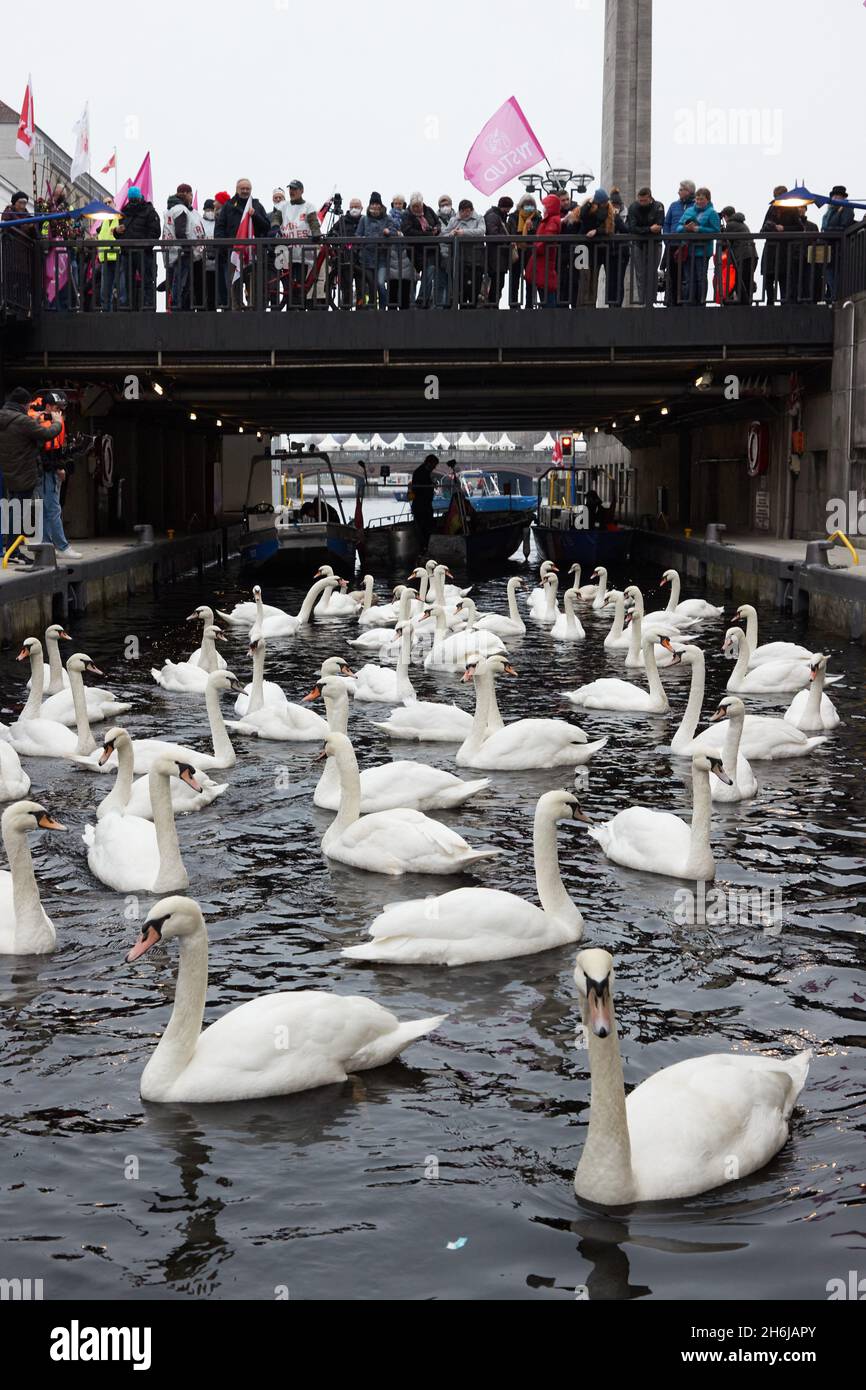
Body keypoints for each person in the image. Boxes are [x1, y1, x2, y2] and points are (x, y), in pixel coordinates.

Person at [0, 387, 63, 564]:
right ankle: (14, 552)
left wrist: (30, 420)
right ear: (24, 403)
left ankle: (10, 549)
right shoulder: (22, 421)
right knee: (22, 513)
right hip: (25, 472)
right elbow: (47, 433)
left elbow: (18, 433)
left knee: (11, 510)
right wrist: (57, 422)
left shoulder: (5, 417)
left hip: (8, 471)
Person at [214, 179, 269, 309]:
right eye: (242, 188)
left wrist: (255, 215)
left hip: (252, 256)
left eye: (247, 189)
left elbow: (266, 227)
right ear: (237, 189)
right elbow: (219, 229)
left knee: (254, 290)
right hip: (233, 255)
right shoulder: (228, 206)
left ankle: (253, 313)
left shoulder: (257, 205)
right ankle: (236, 313)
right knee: (234, 289)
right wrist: (225, 249)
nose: (245, 191)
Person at [114, 185, 160, 310]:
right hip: (127, 253)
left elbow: (155, 232)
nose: (133, 201)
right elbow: (118, 234)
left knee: (146, 281)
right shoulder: (124, 212)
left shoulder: (149, 211)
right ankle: (129, 307)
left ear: (140, 197)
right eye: (132, 199)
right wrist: (116, 232)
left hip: (143, 253)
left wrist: (145, 246)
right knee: (128, 283)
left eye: (135, 198)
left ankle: (147, 307)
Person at [278, 179, 321, 310]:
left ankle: (299, 307)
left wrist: (316, 233)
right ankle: (290, 307)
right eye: (290, 189)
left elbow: (313, 222)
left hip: (303, 252)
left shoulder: (308, 206)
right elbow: (276, 218)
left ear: (301, 191)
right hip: (287, 250)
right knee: (288, 282)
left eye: (295, 189)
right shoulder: (283, 206)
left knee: (301, 281)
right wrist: (274, 227)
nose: (292, 191)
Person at [163, 183, 206, 311]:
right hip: (182, 251)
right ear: (186, 194)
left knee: (179, 281)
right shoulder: (180, 209)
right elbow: (181, 232)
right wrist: (187, 247)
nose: (191, 197)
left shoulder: (171, 208)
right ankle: (177, 307)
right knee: (181, 282)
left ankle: (177, 306)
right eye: (191, 194)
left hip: (174, 251)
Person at [676, 188, 720, 307]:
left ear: (708, 200)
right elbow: (678, 228)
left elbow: (716, 231)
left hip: (703, 251)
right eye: (697, 198)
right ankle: (689, 303)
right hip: (688, 249)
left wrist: (698, 229)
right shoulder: (689, 211)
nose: (699, 201)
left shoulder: (712, 213)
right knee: (689, 279)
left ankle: (701, 303)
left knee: (700, 278)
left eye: (702, 199)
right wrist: (686, 228)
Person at [760, 186, 801, 307]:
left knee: (783, 277)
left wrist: (784, 228)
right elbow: (763, 229)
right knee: (768, 276)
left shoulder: (792, 209)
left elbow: (799, 228)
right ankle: (770, 301)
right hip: (771, 247)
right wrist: (771, 227)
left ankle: (784, 302)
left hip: (784, 249)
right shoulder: (772, 208)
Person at [441, 200, 486, 307]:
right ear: (459, 211)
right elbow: (444, 236)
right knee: (460, 289)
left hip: (476, 259)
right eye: (463, 211)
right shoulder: (453, 220)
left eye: (468, 211)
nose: (466, 213)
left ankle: (472, 309)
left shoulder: (479, 218)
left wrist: (463, 232)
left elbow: (481, 231)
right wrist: (452, 234)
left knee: (474, 289)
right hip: (458, 260)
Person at [575, 189, 616, 306]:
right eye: (601, 202)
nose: (604, 204)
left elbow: (609, 229)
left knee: (594, 280)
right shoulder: (589, 208)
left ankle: (591, 305)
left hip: (597, 250)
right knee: (584, 279)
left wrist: (596, 231)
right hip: (584, 249)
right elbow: (582, 215)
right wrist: (590, 203)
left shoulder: (608, 210)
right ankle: (582, 306)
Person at [356, 193, 397, 309]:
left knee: (380, 283)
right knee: (371, 284)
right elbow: (357, 235)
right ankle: (371, 308)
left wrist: (388, 232)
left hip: (382, 258)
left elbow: (395, 232)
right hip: (366, 258)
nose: (374, 206)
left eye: (377, 204)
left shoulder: (387, 218)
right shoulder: (364, 219)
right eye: (372, 204)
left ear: (380, 205)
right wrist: (362, 240)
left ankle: (383, 306)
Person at [402, 193, 443, 307]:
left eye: (418, 206)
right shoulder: (407, 215)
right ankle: (418, 300)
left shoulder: (428, 210)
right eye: (414, 206)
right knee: (418, 275)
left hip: (431, 249)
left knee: (429, 271)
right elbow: (408, 231)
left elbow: (438, 223)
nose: (416, 208)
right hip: (415, 251)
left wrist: (436, 230)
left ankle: (422, 299)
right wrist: (427, 234)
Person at [626, 186, 665, 306]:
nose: (641, 203)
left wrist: (642, 230)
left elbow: (659, 226)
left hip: (655, 244)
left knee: (652, 272)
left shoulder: (658, 206)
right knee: (640, 274)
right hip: (638, 244)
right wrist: (649, 229)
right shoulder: (633, 207)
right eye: (640, 200)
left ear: (650, 198)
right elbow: (631, 228)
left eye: (644, 200)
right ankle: (643, 301)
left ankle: (651, 301)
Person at [663, 179, 696, 305]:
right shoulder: (673, 205)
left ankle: (686, 301)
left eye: (681, 189)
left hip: (688, 246)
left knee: (687, 275)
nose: (678, 192)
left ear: (688, 191)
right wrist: (667, 239)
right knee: (673, 274)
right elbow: (666, 223)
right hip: (672, 245)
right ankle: (673, 302)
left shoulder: (695, 206)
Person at [525, 194, 561, 307]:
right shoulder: (549, 219)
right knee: (544, 288)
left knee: (547, 289)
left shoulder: (552, 220)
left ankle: (551, 319)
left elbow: (548, 237)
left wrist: (537, 247)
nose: (544, 208)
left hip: (544, 260)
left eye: (545, 205)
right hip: (542, 261)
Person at [821, 185, 855, 303]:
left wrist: (832, 225)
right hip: (829, 247)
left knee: (838, 274)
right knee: (829, 273)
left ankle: (836, 297)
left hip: (840, 247)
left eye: (838, 196)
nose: (835, 197)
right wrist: (835, 213)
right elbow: (825, 225)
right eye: (834, 196)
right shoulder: (830, 209)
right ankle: (833, 296)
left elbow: (844, 224)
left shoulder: (848, 208)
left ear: (843, 197)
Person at [330, 196, 365, 309]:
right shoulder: (342, 221)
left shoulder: (365, 220)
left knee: (362, 289)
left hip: (361, 260)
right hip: (345, 259)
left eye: (357, 207)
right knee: (346, 288)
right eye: (352, 207)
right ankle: (345, 309)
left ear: (362, 208)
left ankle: (361, 310)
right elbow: (331, 234)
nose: (354, 209)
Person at [718, 206, 757, 306]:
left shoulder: (731, 224)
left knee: (741, 281)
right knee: (746, 280)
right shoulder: (741, 223)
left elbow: (723, 244)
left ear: (726, 216)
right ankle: (747, 302)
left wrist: (721, 232)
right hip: (752, 254)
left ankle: (743, 303)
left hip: (742, 256)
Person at [481, 196, 514, 307]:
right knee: (497, 283)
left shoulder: (497, 216)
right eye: (508, 208)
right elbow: (492, 233)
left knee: (498, 283)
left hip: (498, 256)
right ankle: (492, 305)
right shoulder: (493, 216)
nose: (508, 211)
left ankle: (493, 304)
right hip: (495, 256)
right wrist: (507, 239)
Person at [507, 194, 540, 306]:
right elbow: (511, 232)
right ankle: (514, 304)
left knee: (530, 278)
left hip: (531, 251)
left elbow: (539, 233)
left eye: (531, 205)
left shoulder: (537, 217)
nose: (529, 208)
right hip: (517, 250)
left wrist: (532, 227)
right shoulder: (513, 217)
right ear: (521, 205)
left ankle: (529, 304)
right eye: (526, 205)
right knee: (514, 278)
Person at [96, 195, 121, 311]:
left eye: (109, 202)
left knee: (121, 290)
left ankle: (120, 317)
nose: (107, 205)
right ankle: (107, 315)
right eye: (104, 203)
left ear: (114, 204)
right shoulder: (103, 222)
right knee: (105, 292)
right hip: (105, 259)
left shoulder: (120, 217)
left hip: (118, 258)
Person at [410, 455, 438, 547]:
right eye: (434, 465)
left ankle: (424, 546)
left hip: (424, 505)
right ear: (429, 462)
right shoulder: (420, 472)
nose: (434, 467)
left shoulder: (424, 471)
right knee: (423, 528)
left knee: (425, 527)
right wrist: (430, 487)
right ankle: (423, 547)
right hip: (421, 506)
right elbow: (418, 488)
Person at [201, 198, 218, 309]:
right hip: (203, 263)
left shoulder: (219, 222)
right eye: (208, 209)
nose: (210, 212)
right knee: (203, 289)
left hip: (216, 263)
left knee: (214, 291)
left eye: (212, 209)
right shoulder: (200, 222)